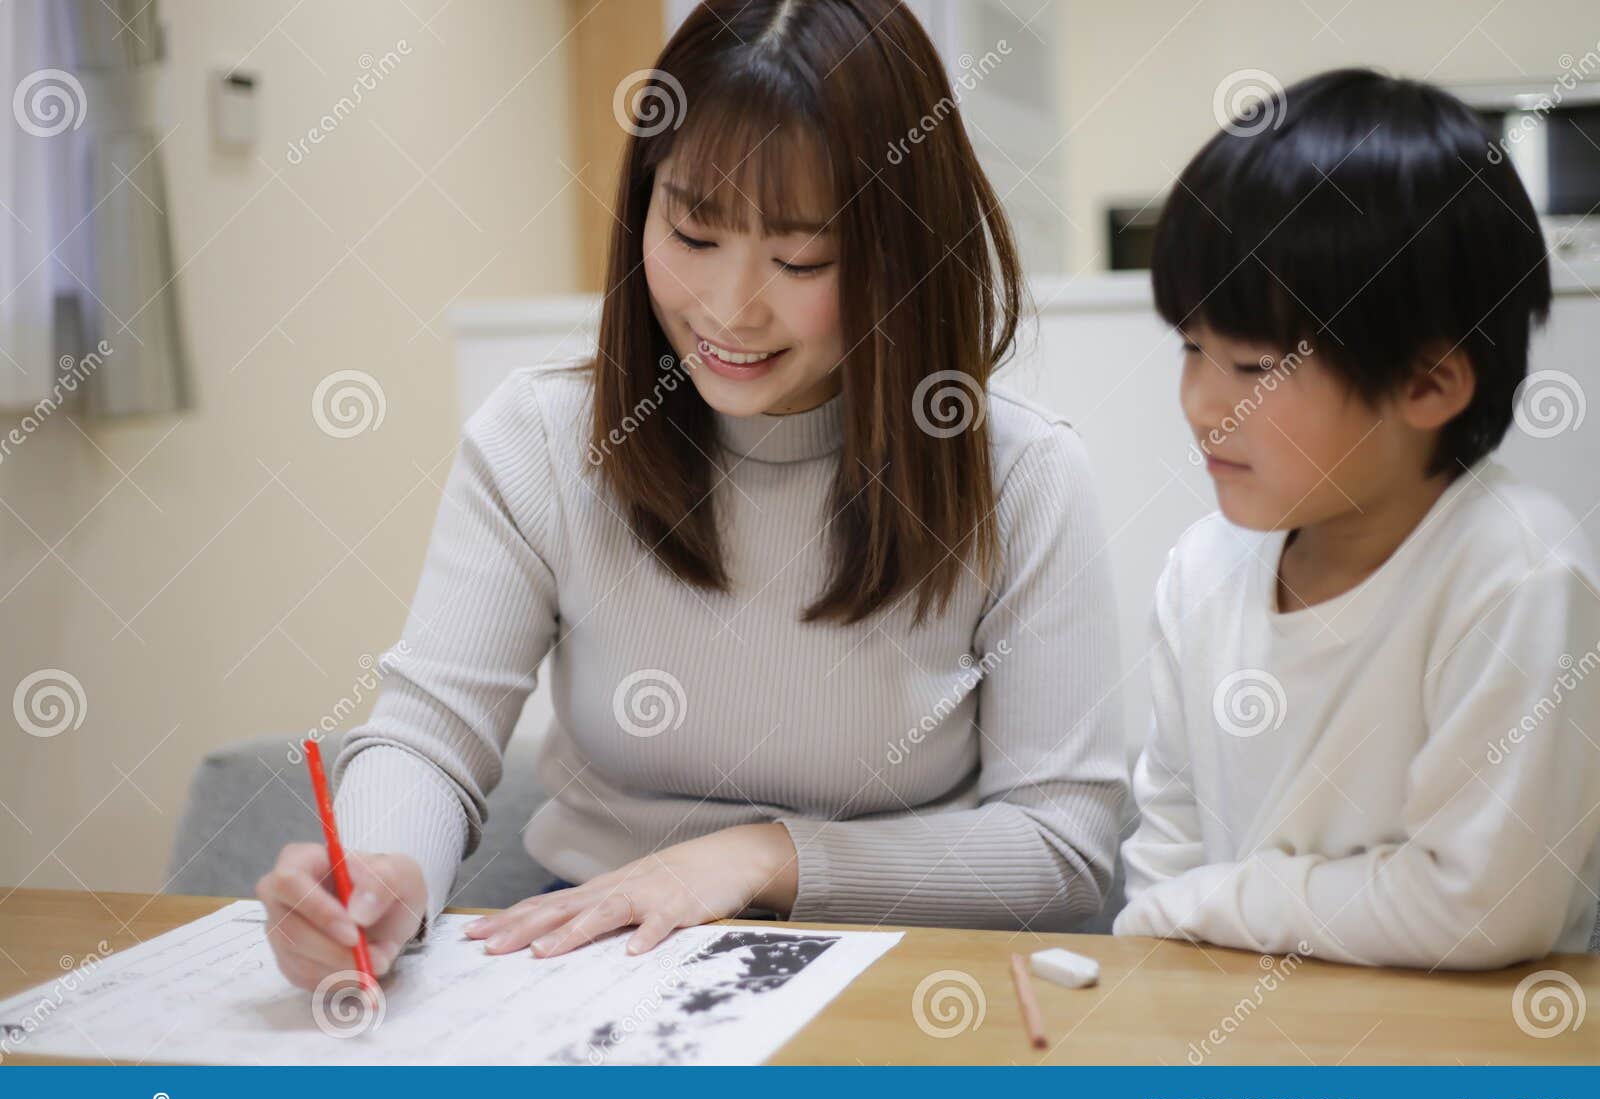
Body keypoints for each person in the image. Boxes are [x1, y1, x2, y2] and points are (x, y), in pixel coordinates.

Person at [257, 0, 1127, 991]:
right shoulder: (540, 441)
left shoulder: (1020, 477)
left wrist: (762, 856)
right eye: (694, 232)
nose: (728, 308)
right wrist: (378, 877)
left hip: (906, 984)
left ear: (901, 256)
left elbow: (1061, 848)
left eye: (801, 258)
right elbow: (430, 737)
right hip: (595, 977)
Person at [1114, 68, 1600, 968]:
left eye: (1254, 367)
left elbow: (1481, 906)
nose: (1200, 403)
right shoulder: (1201, 571)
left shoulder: (1516, 576)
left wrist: (1217, 900)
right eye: (1191, 348)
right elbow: (1165, 859)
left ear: (1428, 380)